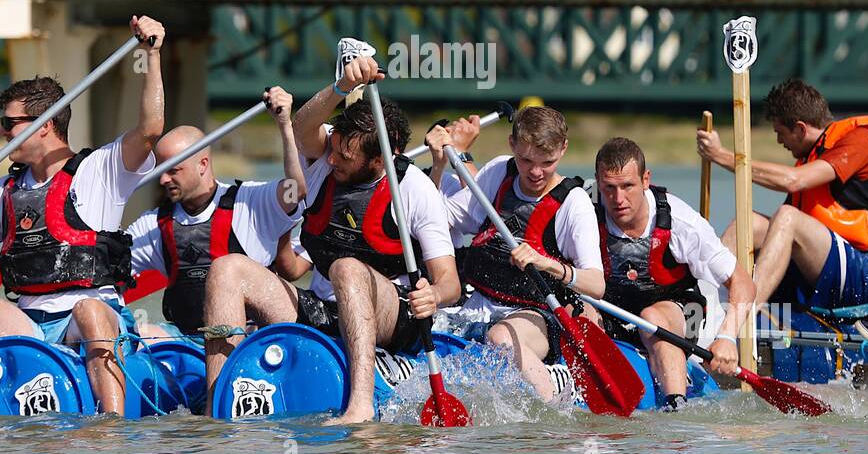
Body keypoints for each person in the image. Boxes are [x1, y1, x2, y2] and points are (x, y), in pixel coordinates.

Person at [0, 16, 166, 414]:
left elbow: (150, 129)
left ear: (43, 126)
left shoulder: (101, 170)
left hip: (90, 317)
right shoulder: (0, 193)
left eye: (10, 123)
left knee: (89, 310)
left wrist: (152, 53)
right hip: (30, 324)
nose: (4, 132)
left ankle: (111, 427)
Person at [287, 54, 461, 424]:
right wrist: (341, 88)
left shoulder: (414, 188)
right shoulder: (325, 160)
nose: (332, 161)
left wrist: (434, 295)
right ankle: (217, 406)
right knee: (230, 270)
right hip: (324, 307)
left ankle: (360, 407)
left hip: (392, 314)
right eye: (334, 148)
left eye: (345, 157)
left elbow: (451, 283)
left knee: (348, 268)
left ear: (379, 161)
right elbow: (301, 126)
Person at [696, 78, 868, 311]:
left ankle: (743, 314)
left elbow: (793, 180)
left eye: (780, 133)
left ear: (800, 128)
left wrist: (721, 156)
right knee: (748, 223)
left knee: (787, 217)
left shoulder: (862, 141)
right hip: (830, 267)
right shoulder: (811, 156)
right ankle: (705, 304)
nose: (779, 141)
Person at [440, 105, 604, 400]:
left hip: (536, 315)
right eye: (526, 160)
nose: (536, 172)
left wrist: (546, 263)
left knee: (500, 337)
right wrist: (440, 162)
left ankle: (551, 408)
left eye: (547, 162)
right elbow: (446, 217)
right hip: (476, 303)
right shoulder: (499, 171)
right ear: (512, 144)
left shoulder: (574, 203)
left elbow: (596, 284)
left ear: (563, 149)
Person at [126, 87, 305, 351]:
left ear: (203, 165)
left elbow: (296, 189)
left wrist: (284, 125)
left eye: (173, 170)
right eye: (160, 171)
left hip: (246, 344)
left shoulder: (251, 202)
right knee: (136, 335)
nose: (163, 179)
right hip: (185, 343)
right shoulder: (153, 223)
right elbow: (108, 261)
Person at [589, 138, 753, 409]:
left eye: (628, 186)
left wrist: (726, 338)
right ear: (597, 181)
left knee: (652, 319)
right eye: (609, 188)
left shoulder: (680, 221)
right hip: (614, 309)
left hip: (680, 311)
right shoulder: (584, 210)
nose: (618, 199)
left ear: (645, 179)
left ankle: (675, 408)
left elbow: (742, 282)